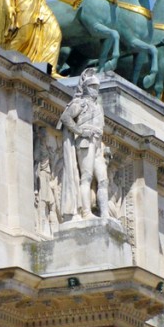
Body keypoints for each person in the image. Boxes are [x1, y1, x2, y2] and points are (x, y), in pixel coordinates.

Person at [57, 69, 108, 220]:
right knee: (86, 177)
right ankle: (86, 212)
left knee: (103, 180)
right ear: (86, 87)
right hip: (85, 142)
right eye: (93, 87)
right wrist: (80, 131)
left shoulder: (98, 107)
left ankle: (105, 214)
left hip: (98, 145)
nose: (95, 91)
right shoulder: (80, 103)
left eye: (97, 88)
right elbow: (65, 118)